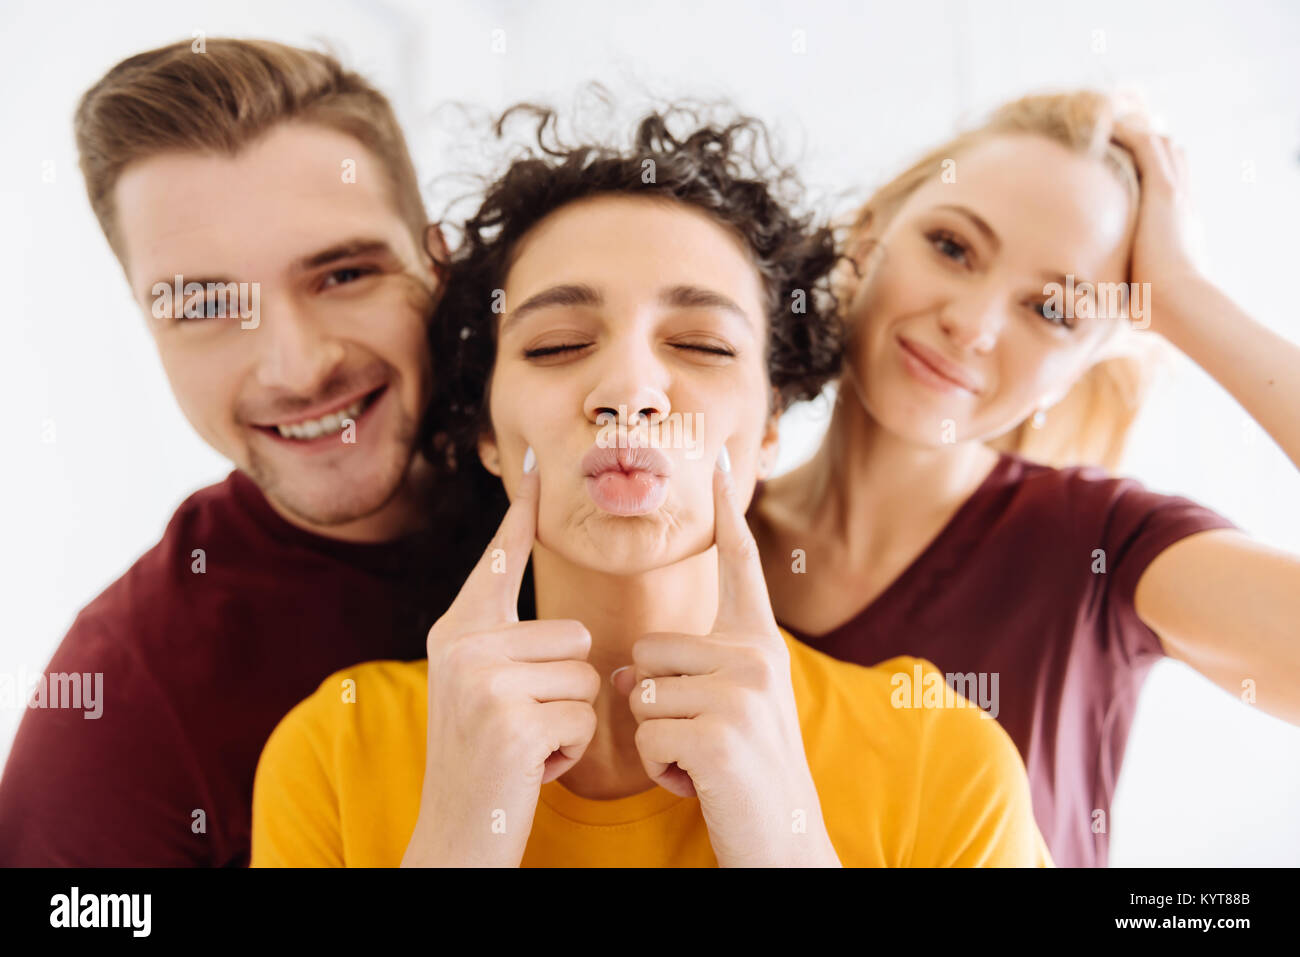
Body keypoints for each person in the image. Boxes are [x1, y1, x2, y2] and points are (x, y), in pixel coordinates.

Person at [250, 106, 1052, 867]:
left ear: (770, 427)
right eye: (558, 344)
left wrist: (784, 841)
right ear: (488, 432)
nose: (629, 389)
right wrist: (459, 837)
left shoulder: (943, 759)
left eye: (702, 344)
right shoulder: (335, 750)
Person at [747, 91, 1300, 867]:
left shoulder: (1103, 550)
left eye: (1051, 309)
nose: (972, 324)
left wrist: (1186, 303)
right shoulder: (695, 531)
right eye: (952, 246)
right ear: (871, 236)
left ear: (1077, 370)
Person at [0, 38, 463, 866]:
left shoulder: (611, 512)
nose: (298, 365)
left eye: (344, 274)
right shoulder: (114, 716)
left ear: (437, 264)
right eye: (208, 304)